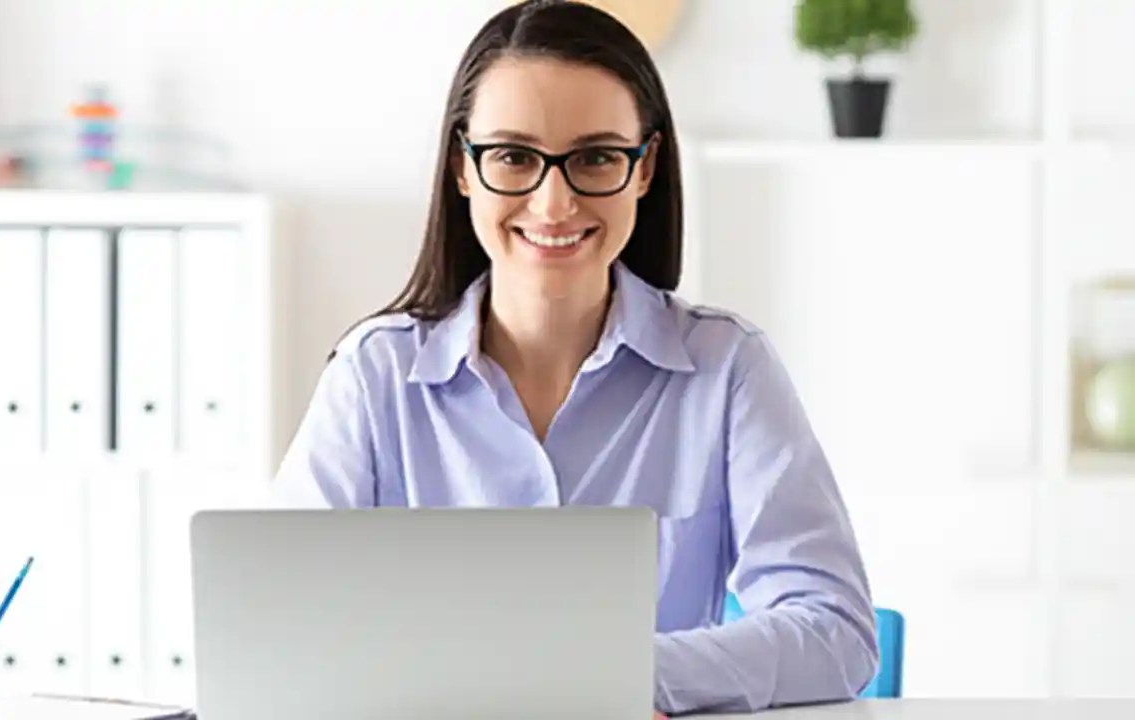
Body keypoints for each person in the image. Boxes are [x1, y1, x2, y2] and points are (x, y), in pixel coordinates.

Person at [273, 0, 879, 715]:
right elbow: (284, 635)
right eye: (513, 157)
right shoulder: (373, 375)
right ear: (463, 169)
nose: (553, 202)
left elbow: (834, 629)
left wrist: (622, 675)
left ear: (645, 169)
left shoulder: (727, 367)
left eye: (595, 157)